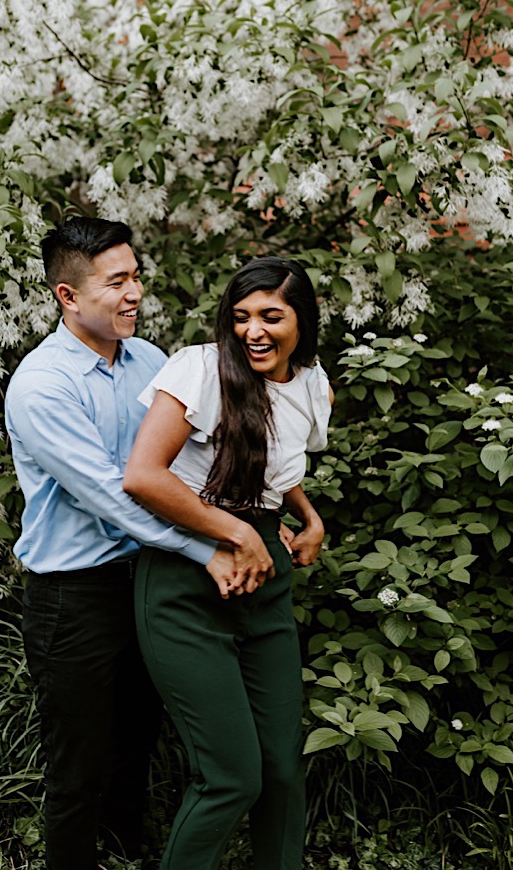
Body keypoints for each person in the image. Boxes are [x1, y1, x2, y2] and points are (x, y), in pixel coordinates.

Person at [2, 217, 275, 869]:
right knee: (77, 763)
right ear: (68, 296)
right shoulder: (42, 386)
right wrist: (209, 548)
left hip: (154, 581)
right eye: (117, 281)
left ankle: (128, 853)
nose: (135, 293)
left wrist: (264, 519)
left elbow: (190, 470)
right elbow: (114, 495)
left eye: (136, 276)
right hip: (76, 598)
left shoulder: (151, 362)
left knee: (138, 741)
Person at [123, 256, 331, 870]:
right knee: (231, 777)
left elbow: (276, 463)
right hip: (186, 579)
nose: (253, 332)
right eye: (241, 317)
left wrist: (308, 516)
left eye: (271, 316)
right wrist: (237, 531)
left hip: (265, 578)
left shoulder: (313, 385)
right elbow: (144, 476)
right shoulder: (201, 368)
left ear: (303, 319)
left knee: (283, 768)